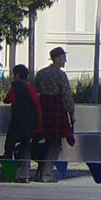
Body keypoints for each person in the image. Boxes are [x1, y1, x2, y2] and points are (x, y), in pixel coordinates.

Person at [33, 46, 75, 181]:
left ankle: (38, 172)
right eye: (63, 58)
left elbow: (35, 91)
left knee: (43, 139)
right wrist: (71, 113)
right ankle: (46, 172)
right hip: (56, 109)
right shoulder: (60, 75)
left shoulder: (40, 73)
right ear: (57, 59)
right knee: (55, 142)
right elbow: (67, 95)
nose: (66, 60)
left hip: (42, 109)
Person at [1, 65, 41, 182]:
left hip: (16, 121)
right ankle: (25, 174)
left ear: (17, 75)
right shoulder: (31, 88)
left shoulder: (16, 87)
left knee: (9, 147)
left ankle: (8, 173)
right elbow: (36, 104)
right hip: (29, 123)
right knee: (25, 147)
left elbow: (7, 99)